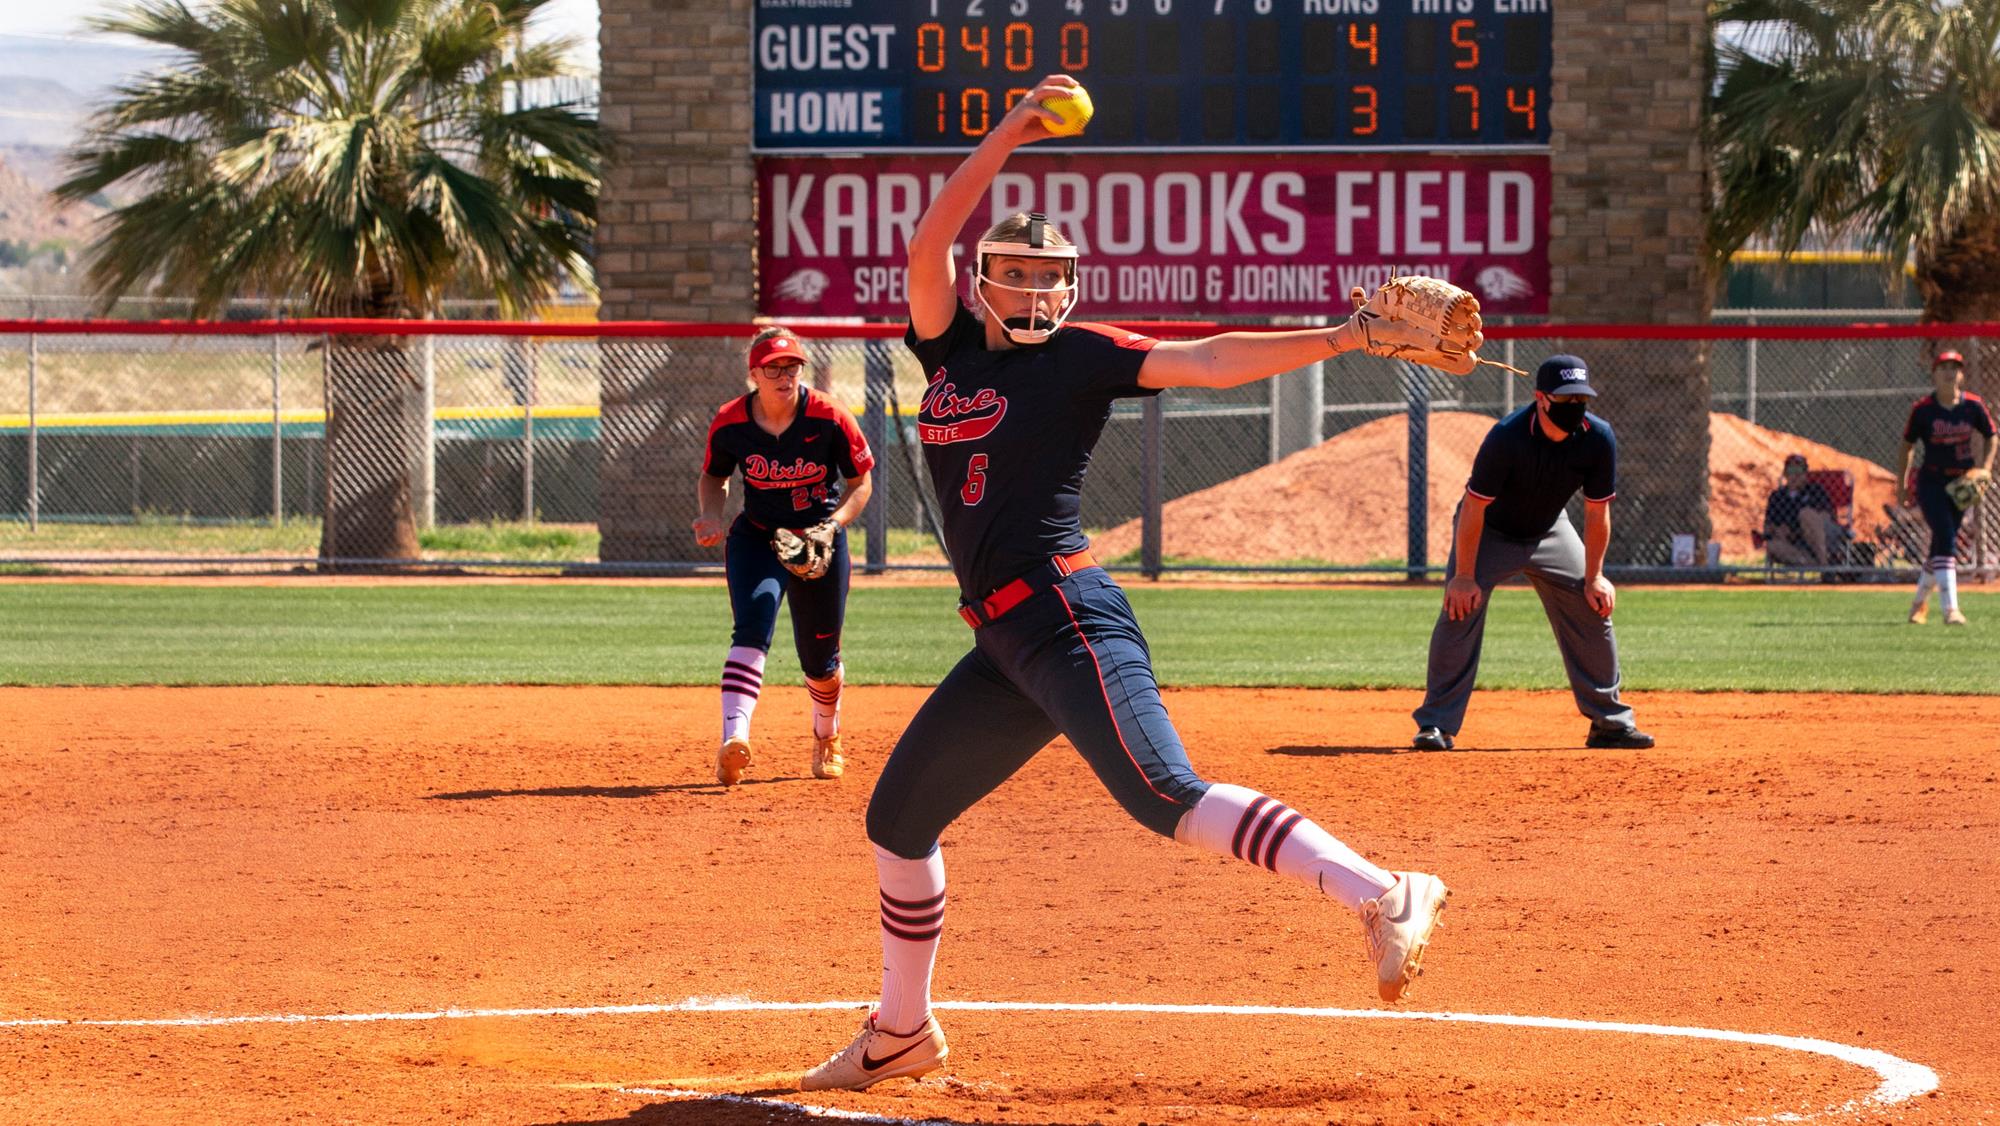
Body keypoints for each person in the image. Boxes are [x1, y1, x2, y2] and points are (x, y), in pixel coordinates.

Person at [800, 74, 1456, 1093]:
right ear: (982, 284)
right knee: (896, 820)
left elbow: (1206, 360)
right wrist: (1007, 133)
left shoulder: (1080, 356)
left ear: (1071, 285)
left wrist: (1341, 335)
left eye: (1046, 276)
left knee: (1163, 793)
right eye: (1011, 275)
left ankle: (1381, 889)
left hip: (1065, 618)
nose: (1029, 292)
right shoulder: (945, 348)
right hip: (1003, 645)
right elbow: (925, 242)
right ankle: (900, 1030)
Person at [1409, 355, 1654, 753]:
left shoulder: (1598, 438)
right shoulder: (1507, 437)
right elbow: (1473, 508)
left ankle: (1609, 722)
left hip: (1549, 529)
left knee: (1592, 605)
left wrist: (1595, 576)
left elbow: (1597, 512)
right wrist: (1464, 575)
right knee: (1460, 607)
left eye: (1580, 399)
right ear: (1541, 398)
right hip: (1490, 530)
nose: (1574, 407)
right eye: (1564, 398)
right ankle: (1436, 724)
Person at [693, 327, 875, 784]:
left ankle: (826, 735)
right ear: (754, 373)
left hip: (817, 541)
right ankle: (734, 739)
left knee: (820, 657)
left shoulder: (829, 417)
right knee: (752, 625)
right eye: (773, 367)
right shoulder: (731, 420)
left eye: (791, 366)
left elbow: (861, 483)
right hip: (757, 537)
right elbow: (714, 477)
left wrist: (832, 526)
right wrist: (711, 516)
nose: (784, 375)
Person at [1899, 350, 1995, 625]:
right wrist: (1902, 483)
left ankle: (1918, 605)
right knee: (1946, 538)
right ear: (1934, 374)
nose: (1949, 372)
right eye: (1943, 367)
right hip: (1932, 482)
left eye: (1954, 367)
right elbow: (1906, 446)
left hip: (1961, 483)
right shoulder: (1924, 410)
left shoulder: (1972, 406)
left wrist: (1986, 467)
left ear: (1961, 374)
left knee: (1940, 545)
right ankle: (1950, 609)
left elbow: (1991, 436)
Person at [1762, 453, 1838, 568]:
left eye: (1799, 470)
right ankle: (1820, 566)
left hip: (1818, 538)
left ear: (1806, 474)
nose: (1796, 475)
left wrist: (1802, 528)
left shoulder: (1815, 490)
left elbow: (1826, 517)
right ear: (1785, 474)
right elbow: (1767, 526)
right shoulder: (1777, 496)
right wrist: (1778, 531)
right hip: (1794, 543)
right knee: (1772, 546)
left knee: (1806, 514)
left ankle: (1823, 563)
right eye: (1791, 470)